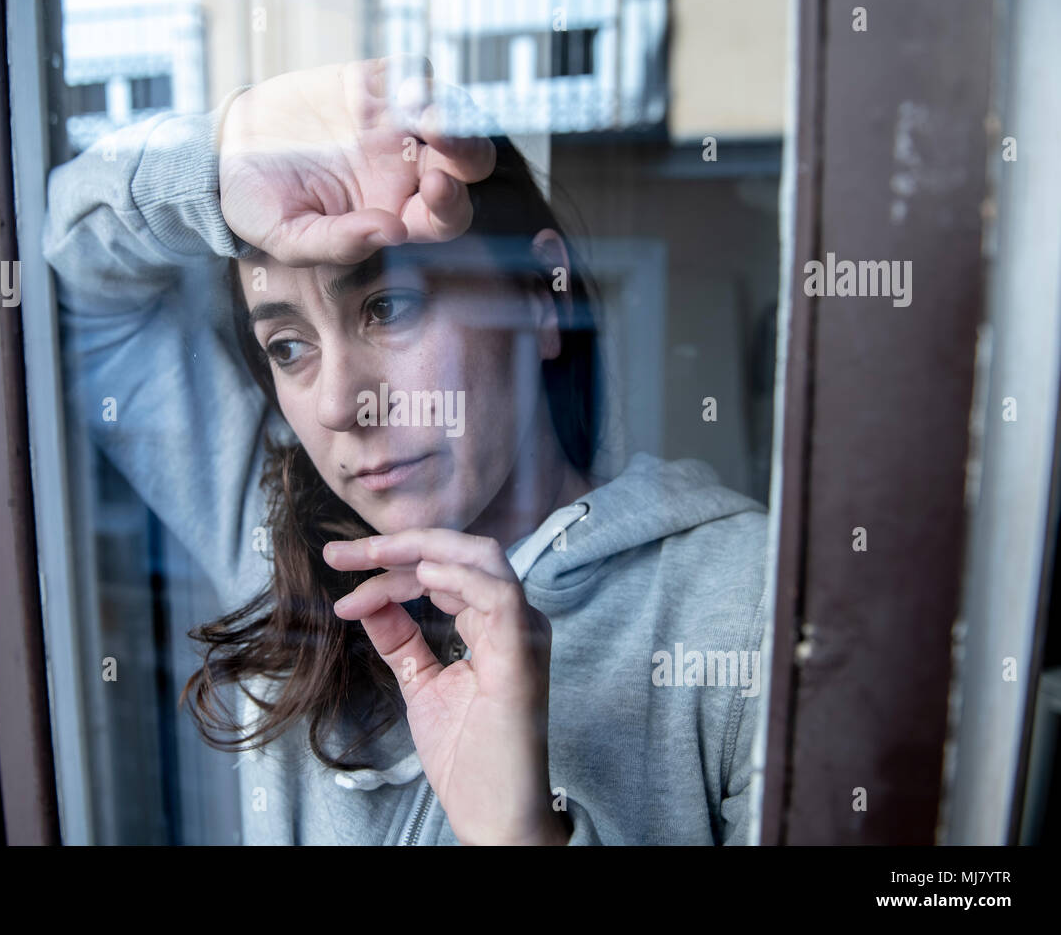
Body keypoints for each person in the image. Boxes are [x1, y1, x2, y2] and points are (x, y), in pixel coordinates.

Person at [42, 56, 771, 845]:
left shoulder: (745, 605)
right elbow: (79, 286)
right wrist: (223, 161)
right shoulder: (279, 546)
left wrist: (522, 834)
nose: (338, 405)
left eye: (388, 307)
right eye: (288, 346)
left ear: (541, 296)